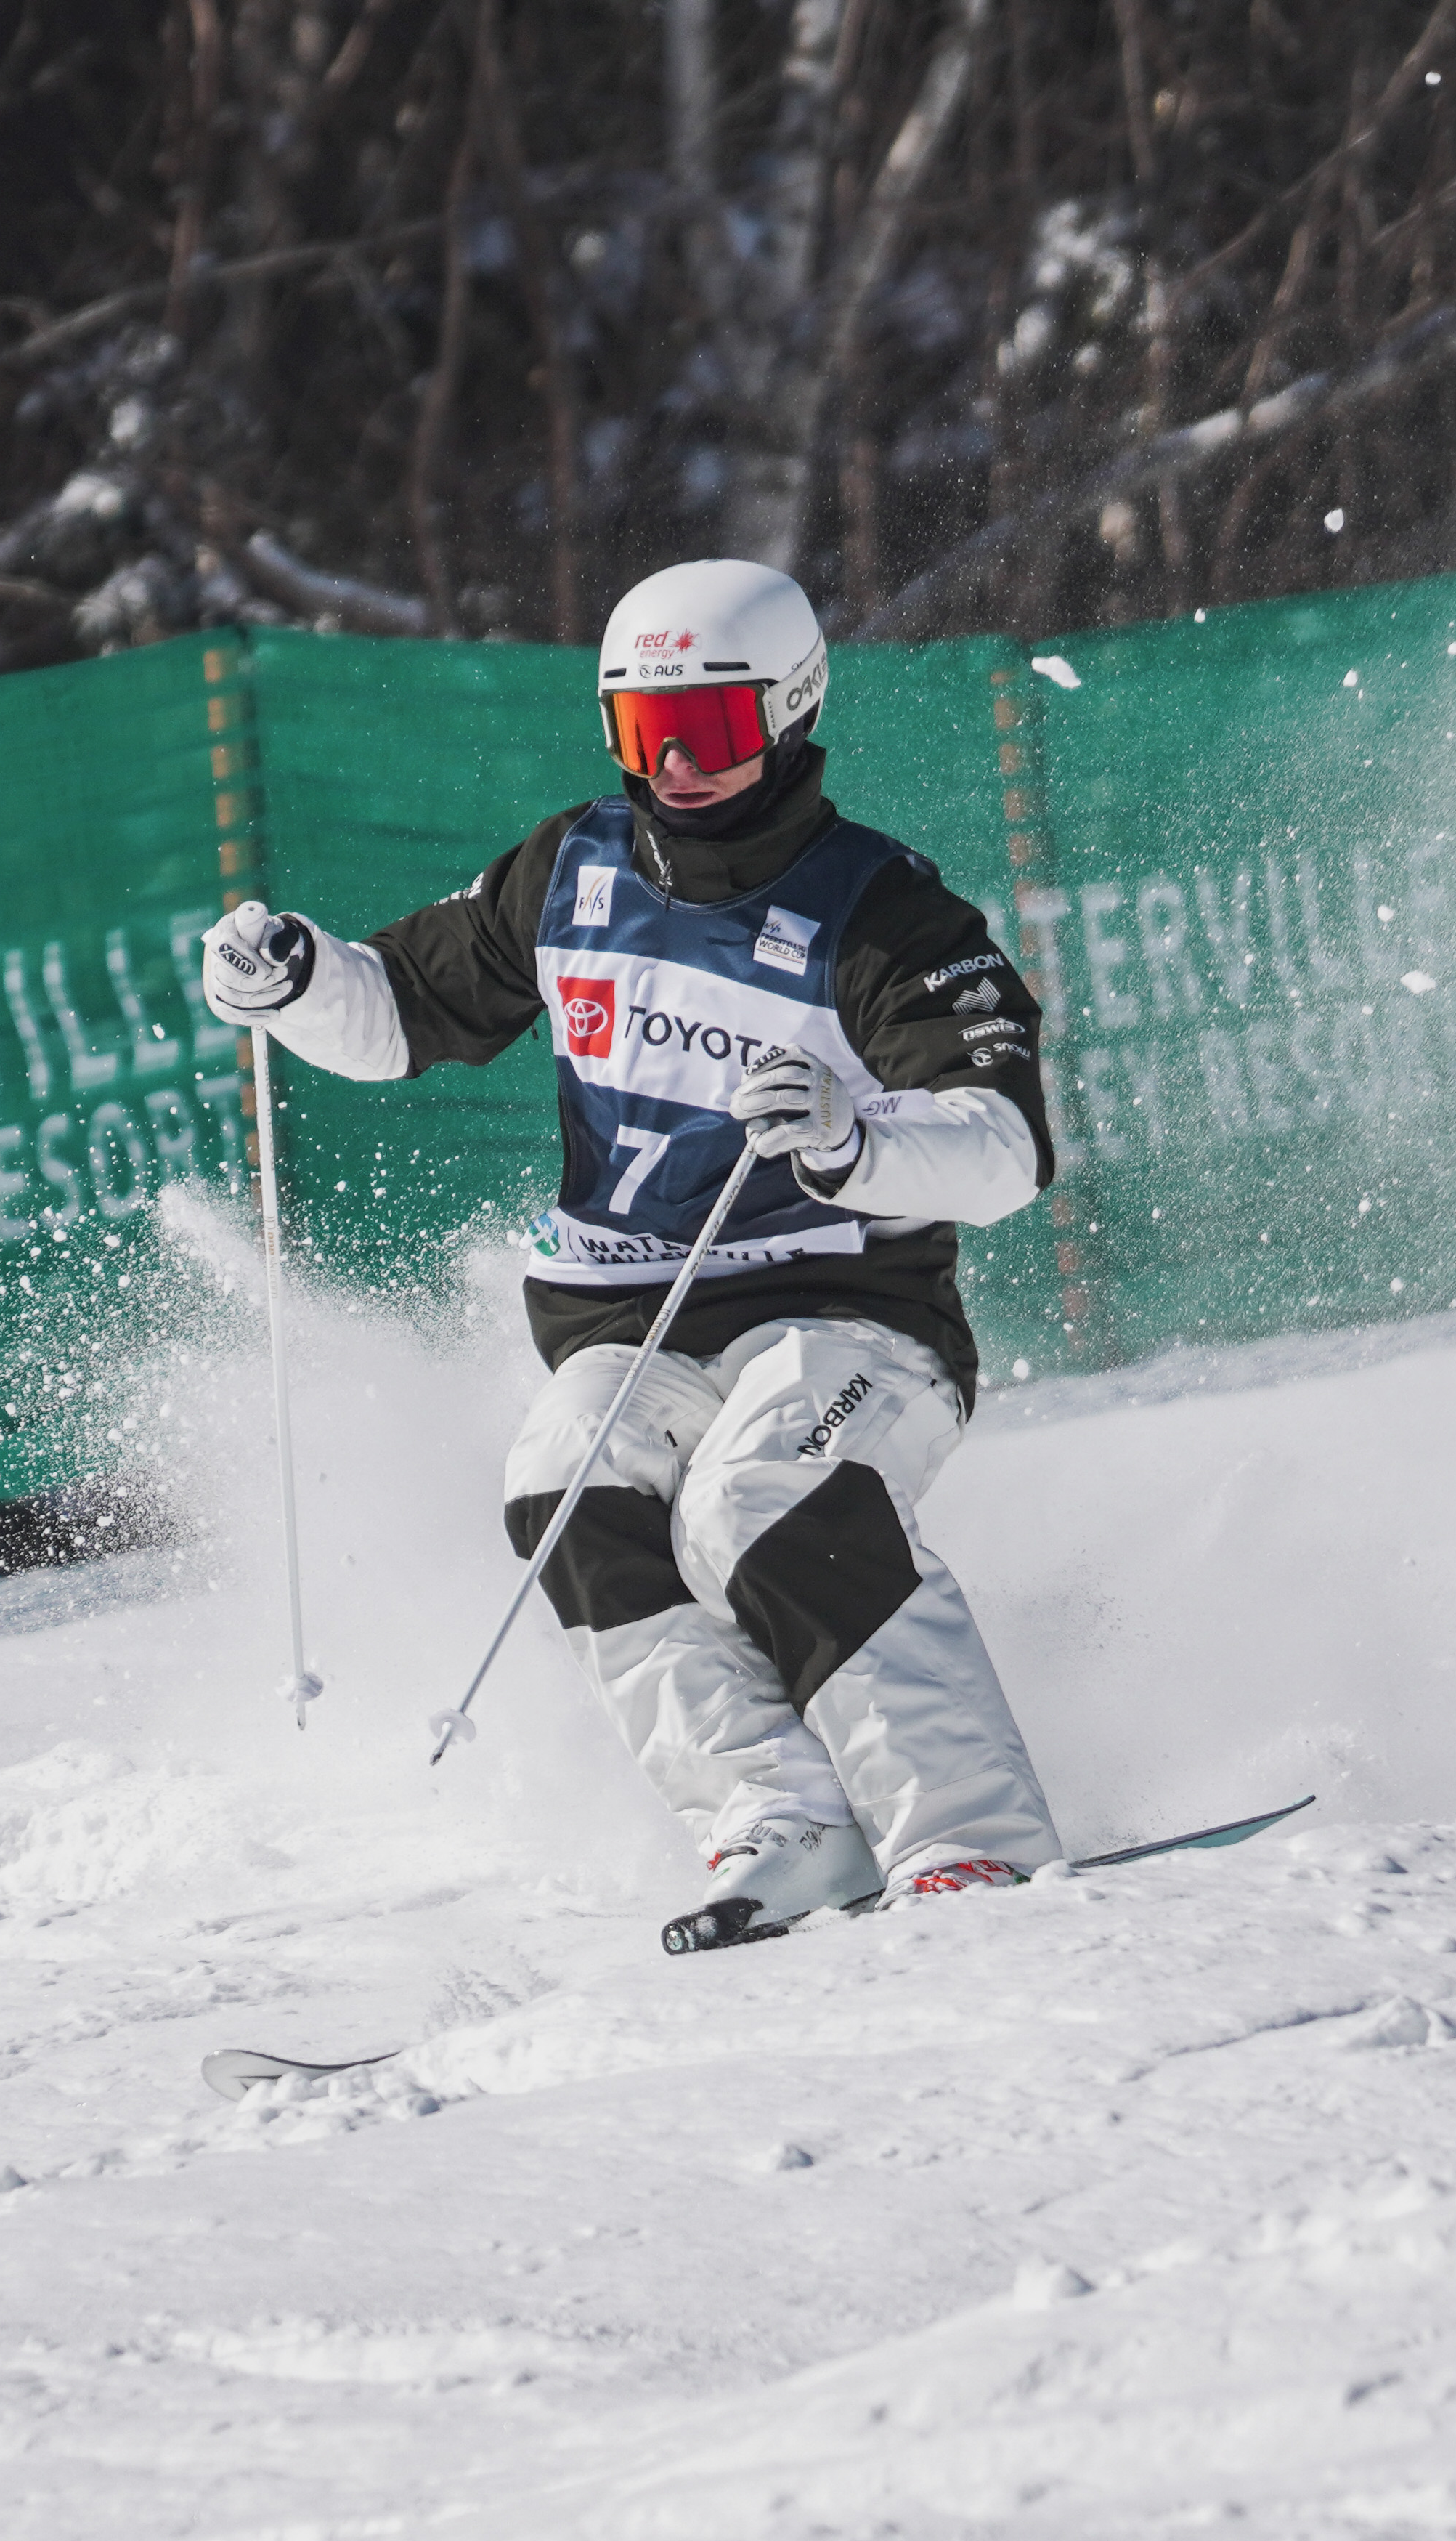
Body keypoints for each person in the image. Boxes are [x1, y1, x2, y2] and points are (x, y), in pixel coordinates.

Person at [197, 559, 1065, 1946]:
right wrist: (298, 982)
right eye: (642, 731)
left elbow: (1005, 1145)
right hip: (631, 1320)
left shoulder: (888, 913)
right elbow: (402, 1008)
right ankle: (783, 1817)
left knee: (759, 1497)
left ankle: (973, 1840)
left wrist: (852, 1140)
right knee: (567, 1490)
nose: (675, 769)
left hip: (849, 1309)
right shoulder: (574, 870)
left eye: (707, 731)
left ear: (789, 713)